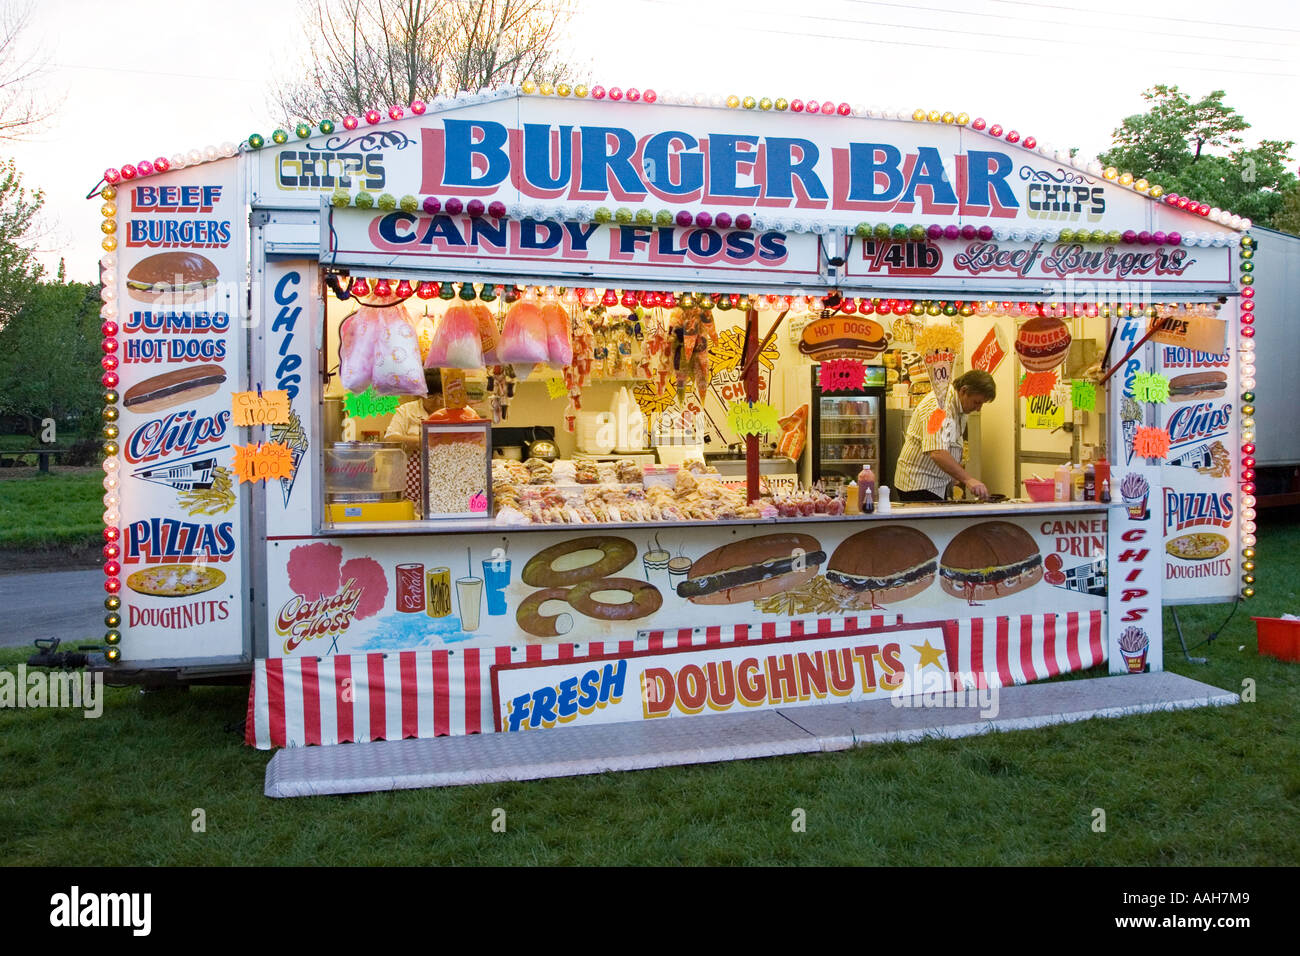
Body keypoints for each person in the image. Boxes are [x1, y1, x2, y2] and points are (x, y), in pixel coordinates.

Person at [894, 369, 996, 502]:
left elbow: (949, 442)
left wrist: (955, 474)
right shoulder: (938, 408)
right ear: (963, 391)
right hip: (919, 485)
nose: (978, 409)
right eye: (977, 402)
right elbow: (937, 452)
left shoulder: (959, 406)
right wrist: (968, 479)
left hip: (936, 484)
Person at [385, 368, 444, 512]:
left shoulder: (457, 411)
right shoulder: (407, 411)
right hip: (410, 490)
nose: (437, 401)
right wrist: (424, 441)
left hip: (444, 487)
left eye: (441, 395)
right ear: (421, 394)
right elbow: (390, 439)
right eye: (430, 396)